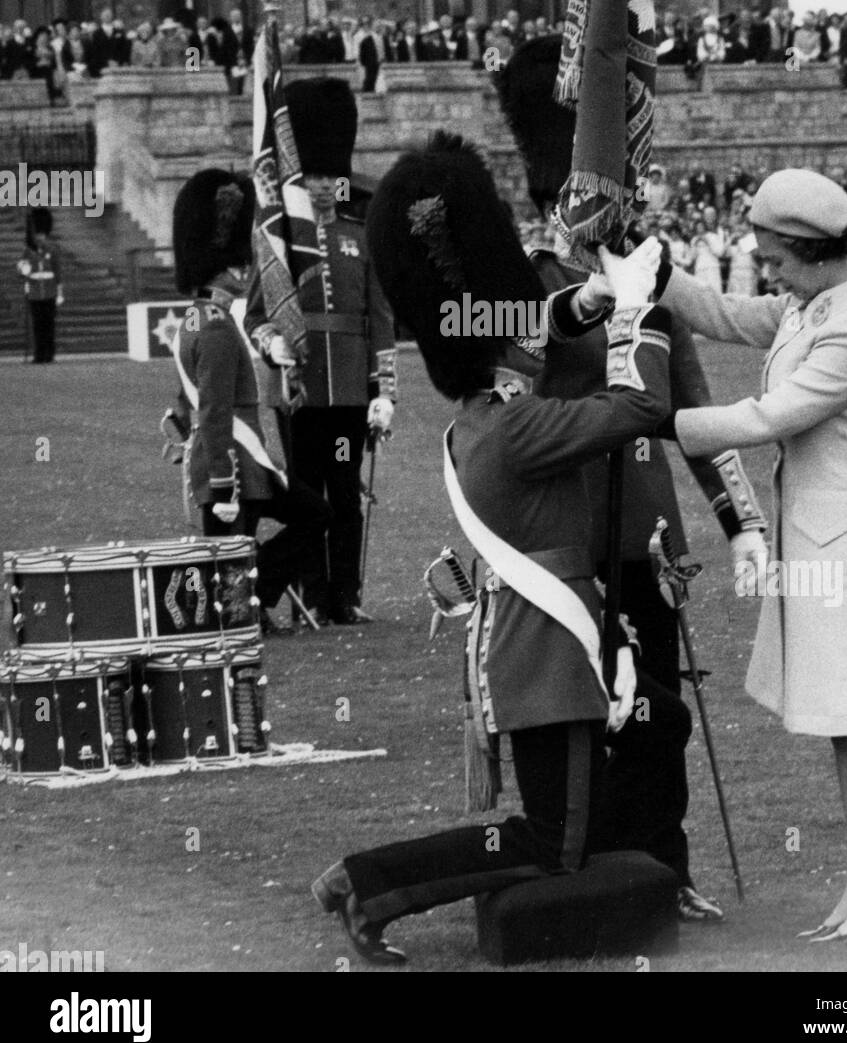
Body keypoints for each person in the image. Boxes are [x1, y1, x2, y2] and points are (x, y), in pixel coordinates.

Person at [312, 130, 690, 964]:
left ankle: (651, 876)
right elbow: (636, 408)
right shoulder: (517, 428)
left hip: (533, 641)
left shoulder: (483, 415)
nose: (534, 342)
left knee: (663, 718)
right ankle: (369, 885)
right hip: (547, 652)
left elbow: (523, 328)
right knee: (549, 842)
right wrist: (638, 311)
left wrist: (586, 304)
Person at [651, 166, 847, 943]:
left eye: (777, 257)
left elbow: (770, 415)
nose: (770, 272)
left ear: (815, 251)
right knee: (844, 719)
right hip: (829, 535)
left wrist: (656, 423)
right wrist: (653, 267)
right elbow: (726, 313)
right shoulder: (818, 299)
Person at [496, 36, 769, 921]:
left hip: (646, 537)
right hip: (564, 540)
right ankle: (593, 873)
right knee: (582, 717)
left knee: (656, 714)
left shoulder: (650, 279)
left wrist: (743, 524)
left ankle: (663, 867)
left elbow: (694, 412)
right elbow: (507, 402)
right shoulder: (534, 285)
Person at [245, 78, 396, 625]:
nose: (328, 187)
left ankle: (344, 597)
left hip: (350, 390)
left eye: (334, 178)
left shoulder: (360, 232)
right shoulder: (281, 242)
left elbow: (379, 320)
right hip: (302, 389)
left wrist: (385, 394)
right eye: (317, 178)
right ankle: (311, 593)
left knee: (345, 496)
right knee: (310, 499)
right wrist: (273, 343)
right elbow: (255, 315)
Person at [170, 169, 332, 626]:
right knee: (233, 569)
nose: (246, 270)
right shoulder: (218, 327)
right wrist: (222, 481)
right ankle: (252, 606)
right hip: (235, 467)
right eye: (237, 264)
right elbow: (215, 408)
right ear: (221, 267)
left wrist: (183, 437)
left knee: (307, 518)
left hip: (235, 460)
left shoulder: (197, 319)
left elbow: (184, 401)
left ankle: (258, 598)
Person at [17, 207, 62, 363]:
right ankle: (39, 355)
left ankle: (49, 355)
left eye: (42, 234)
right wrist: (23, 269)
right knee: (38, 327)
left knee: (49, 326)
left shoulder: (53, 250)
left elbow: (57, 273)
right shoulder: (27, 252)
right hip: (35, 294)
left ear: (45, 233)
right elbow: (21, 270)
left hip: (49, 293)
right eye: (37, 234)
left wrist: (60, 293)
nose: (40, 237)